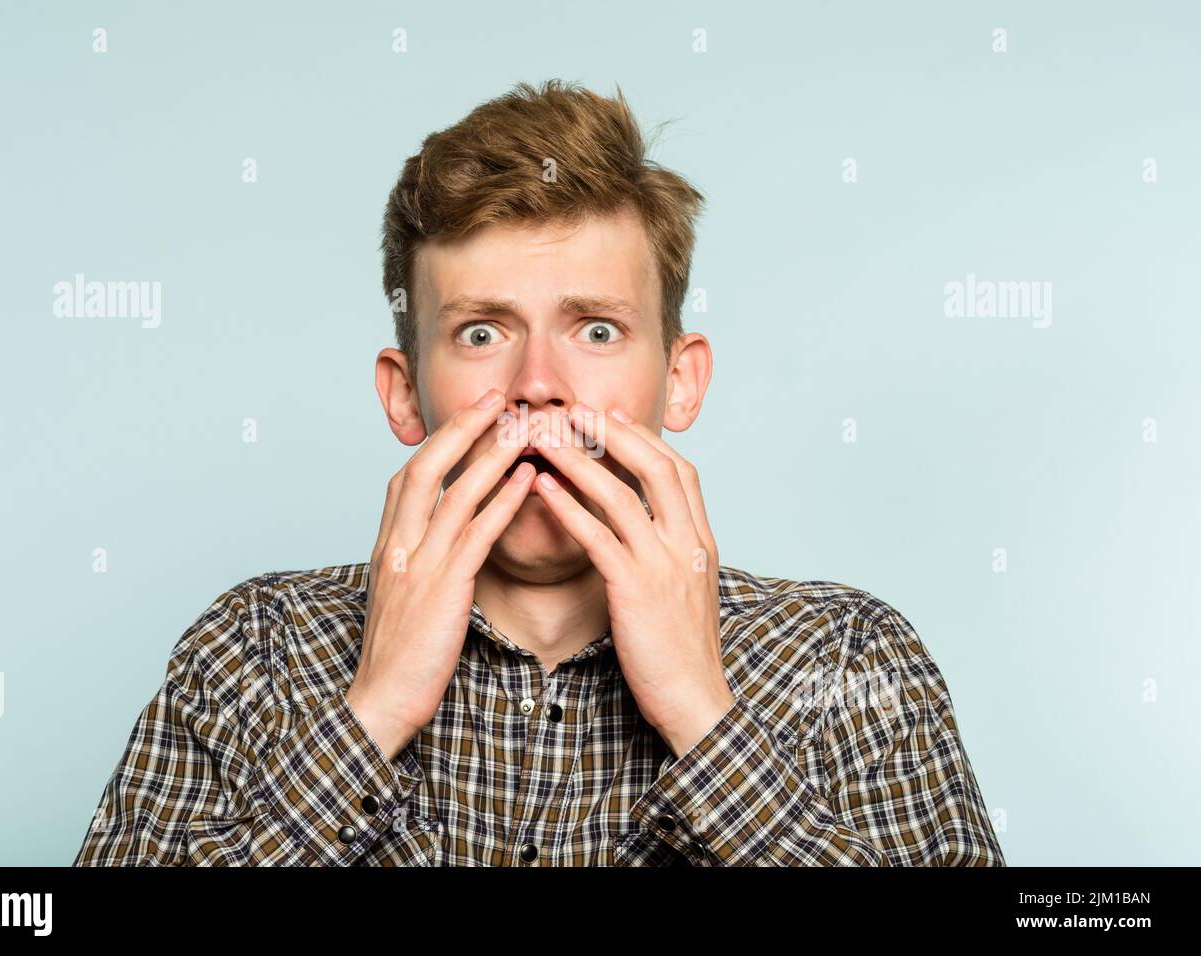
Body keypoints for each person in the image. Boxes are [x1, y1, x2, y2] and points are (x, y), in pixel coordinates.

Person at [73, 79, 1005, 866]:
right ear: (405, 396)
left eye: (596, 329)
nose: (538, 388)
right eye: (482, 332)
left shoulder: (847, 658)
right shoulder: (255, 653)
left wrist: (703, 720)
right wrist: (373, 715)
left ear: (680, 380)